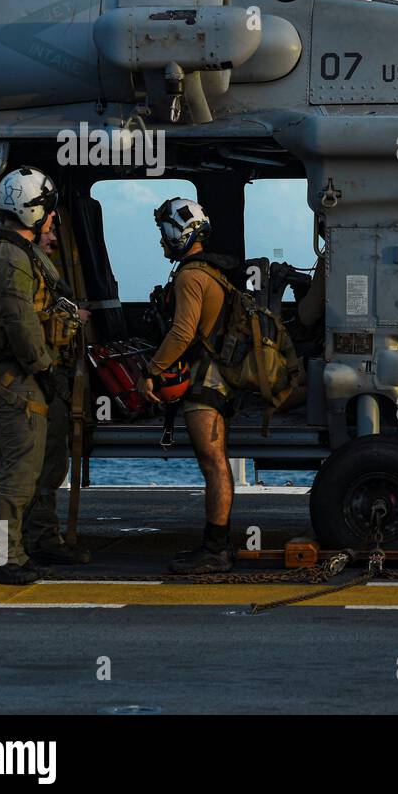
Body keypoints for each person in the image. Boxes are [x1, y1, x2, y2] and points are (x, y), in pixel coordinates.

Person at [0, 168, 88, 585]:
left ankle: (31, 543)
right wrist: (43, 369)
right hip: (15, 375)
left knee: (39, 461)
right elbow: (20, 323)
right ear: (33, 211)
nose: (53, 221)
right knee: (18, 469)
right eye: (49, 213)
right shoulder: (8, 256)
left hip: (28, 373)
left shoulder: (19, 253)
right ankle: (1, 559)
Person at [141, 197, 238, 574]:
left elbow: (182, 333)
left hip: (206, 381)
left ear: (176, 234)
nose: (162, 243)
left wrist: (150, 370)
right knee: (215, 463)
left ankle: (216, 550)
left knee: (213, 463)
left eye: (164, 235)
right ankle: (214, 546)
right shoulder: (211, 272)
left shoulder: (190, 276)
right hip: (217, 376)